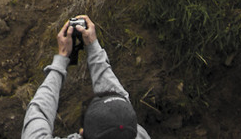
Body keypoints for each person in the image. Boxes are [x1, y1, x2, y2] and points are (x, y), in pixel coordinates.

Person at [21, 14, 150, 139]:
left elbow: (38, 111)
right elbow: (120, 105)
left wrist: (61, 59)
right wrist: (93, 47)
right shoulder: (138, 135)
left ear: (81, 133)